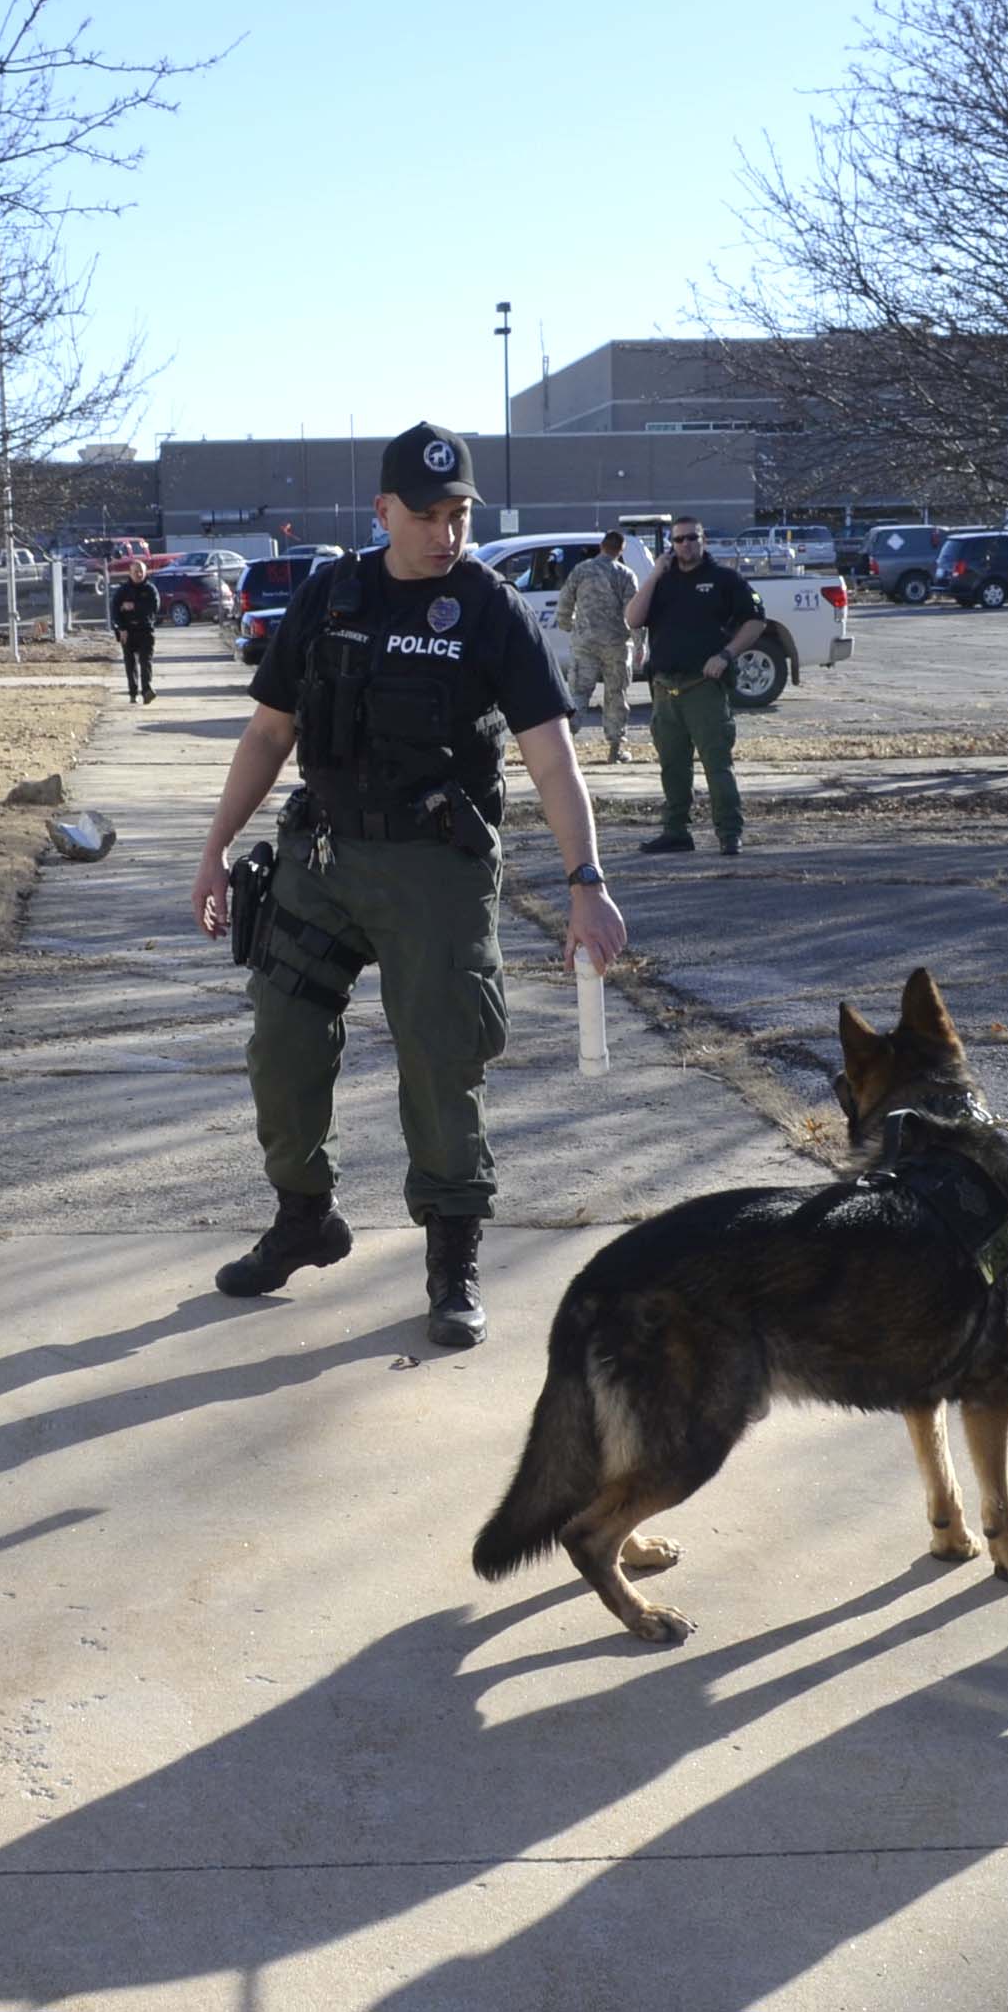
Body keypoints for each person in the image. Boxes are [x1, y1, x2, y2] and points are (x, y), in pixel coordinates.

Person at [188, 422, 628, 1348]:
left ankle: (452, 1253)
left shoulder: (488, 609)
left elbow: (550, 760)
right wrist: (215, 847)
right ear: (382, 510)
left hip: (436, 872)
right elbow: (270, 734)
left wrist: (586, 879)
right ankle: (304, 1218)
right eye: (426, 514)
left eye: (458, 513)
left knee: (441, 1058)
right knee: (281, 1043)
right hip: (322, 861)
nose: (445, 532)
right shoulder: (330, 594)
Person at [624, 515, 764, 855]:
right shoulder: (663, 582)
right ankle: (676, 832)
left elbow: (756, 621)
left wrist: (727, 655)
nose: (685, 545)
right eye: (679, 540)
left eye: (691, 538)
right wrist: (655, 573)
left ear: (703, 541)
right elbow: (632, 618)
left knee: (716, 764)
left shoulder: (723, 580)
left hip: (703, 686)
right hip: (665, 688)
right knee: (672, 766)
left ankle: (729, 832)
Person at [552, 529, 643, 763]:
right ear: (620, 550)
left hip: (585, 643)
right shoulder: (625, 575)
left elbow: (565, 601)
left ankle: (564, 746)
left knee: (578, 694)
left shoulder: (581, 570)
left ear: (602, 546)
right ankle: (615, 749)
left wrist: (567, 623)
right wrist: (640, 644)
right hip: (617, 645)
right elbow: (633, 613)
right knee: (616, 696)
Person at [110, 555, 159, 702]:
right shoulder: (123, 590)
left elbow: (153, 608)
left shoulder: (150, 590)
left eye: (141, 571)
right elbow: (115, 610)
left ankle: (146, 690)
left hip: (145, 630)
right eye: (135, 571)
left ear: (145, 573)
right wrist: (121, 628)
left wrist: (133, 606)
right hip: (128, 631)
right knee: (130, 663)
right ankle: (132, 692)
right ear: (130, 573)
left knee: (145, 661)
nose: (138, 574)